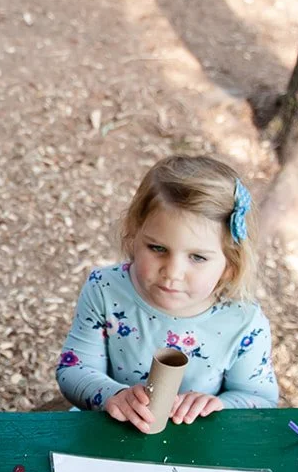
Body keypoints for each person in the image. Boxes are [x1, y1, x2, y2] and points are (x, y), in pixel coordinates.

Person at [55, 155, 277, 428]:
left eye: (197, 257)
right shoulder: (105, 289)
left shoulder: (244, 321)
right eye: (157, 249)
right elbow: (74, 368)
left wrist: (220, 404)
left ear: (231, 264)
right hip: (107, 433)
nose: (172, 272)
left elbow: (260, 399)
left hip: (195, 446)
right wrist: (113, 396)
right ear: (133, 236)